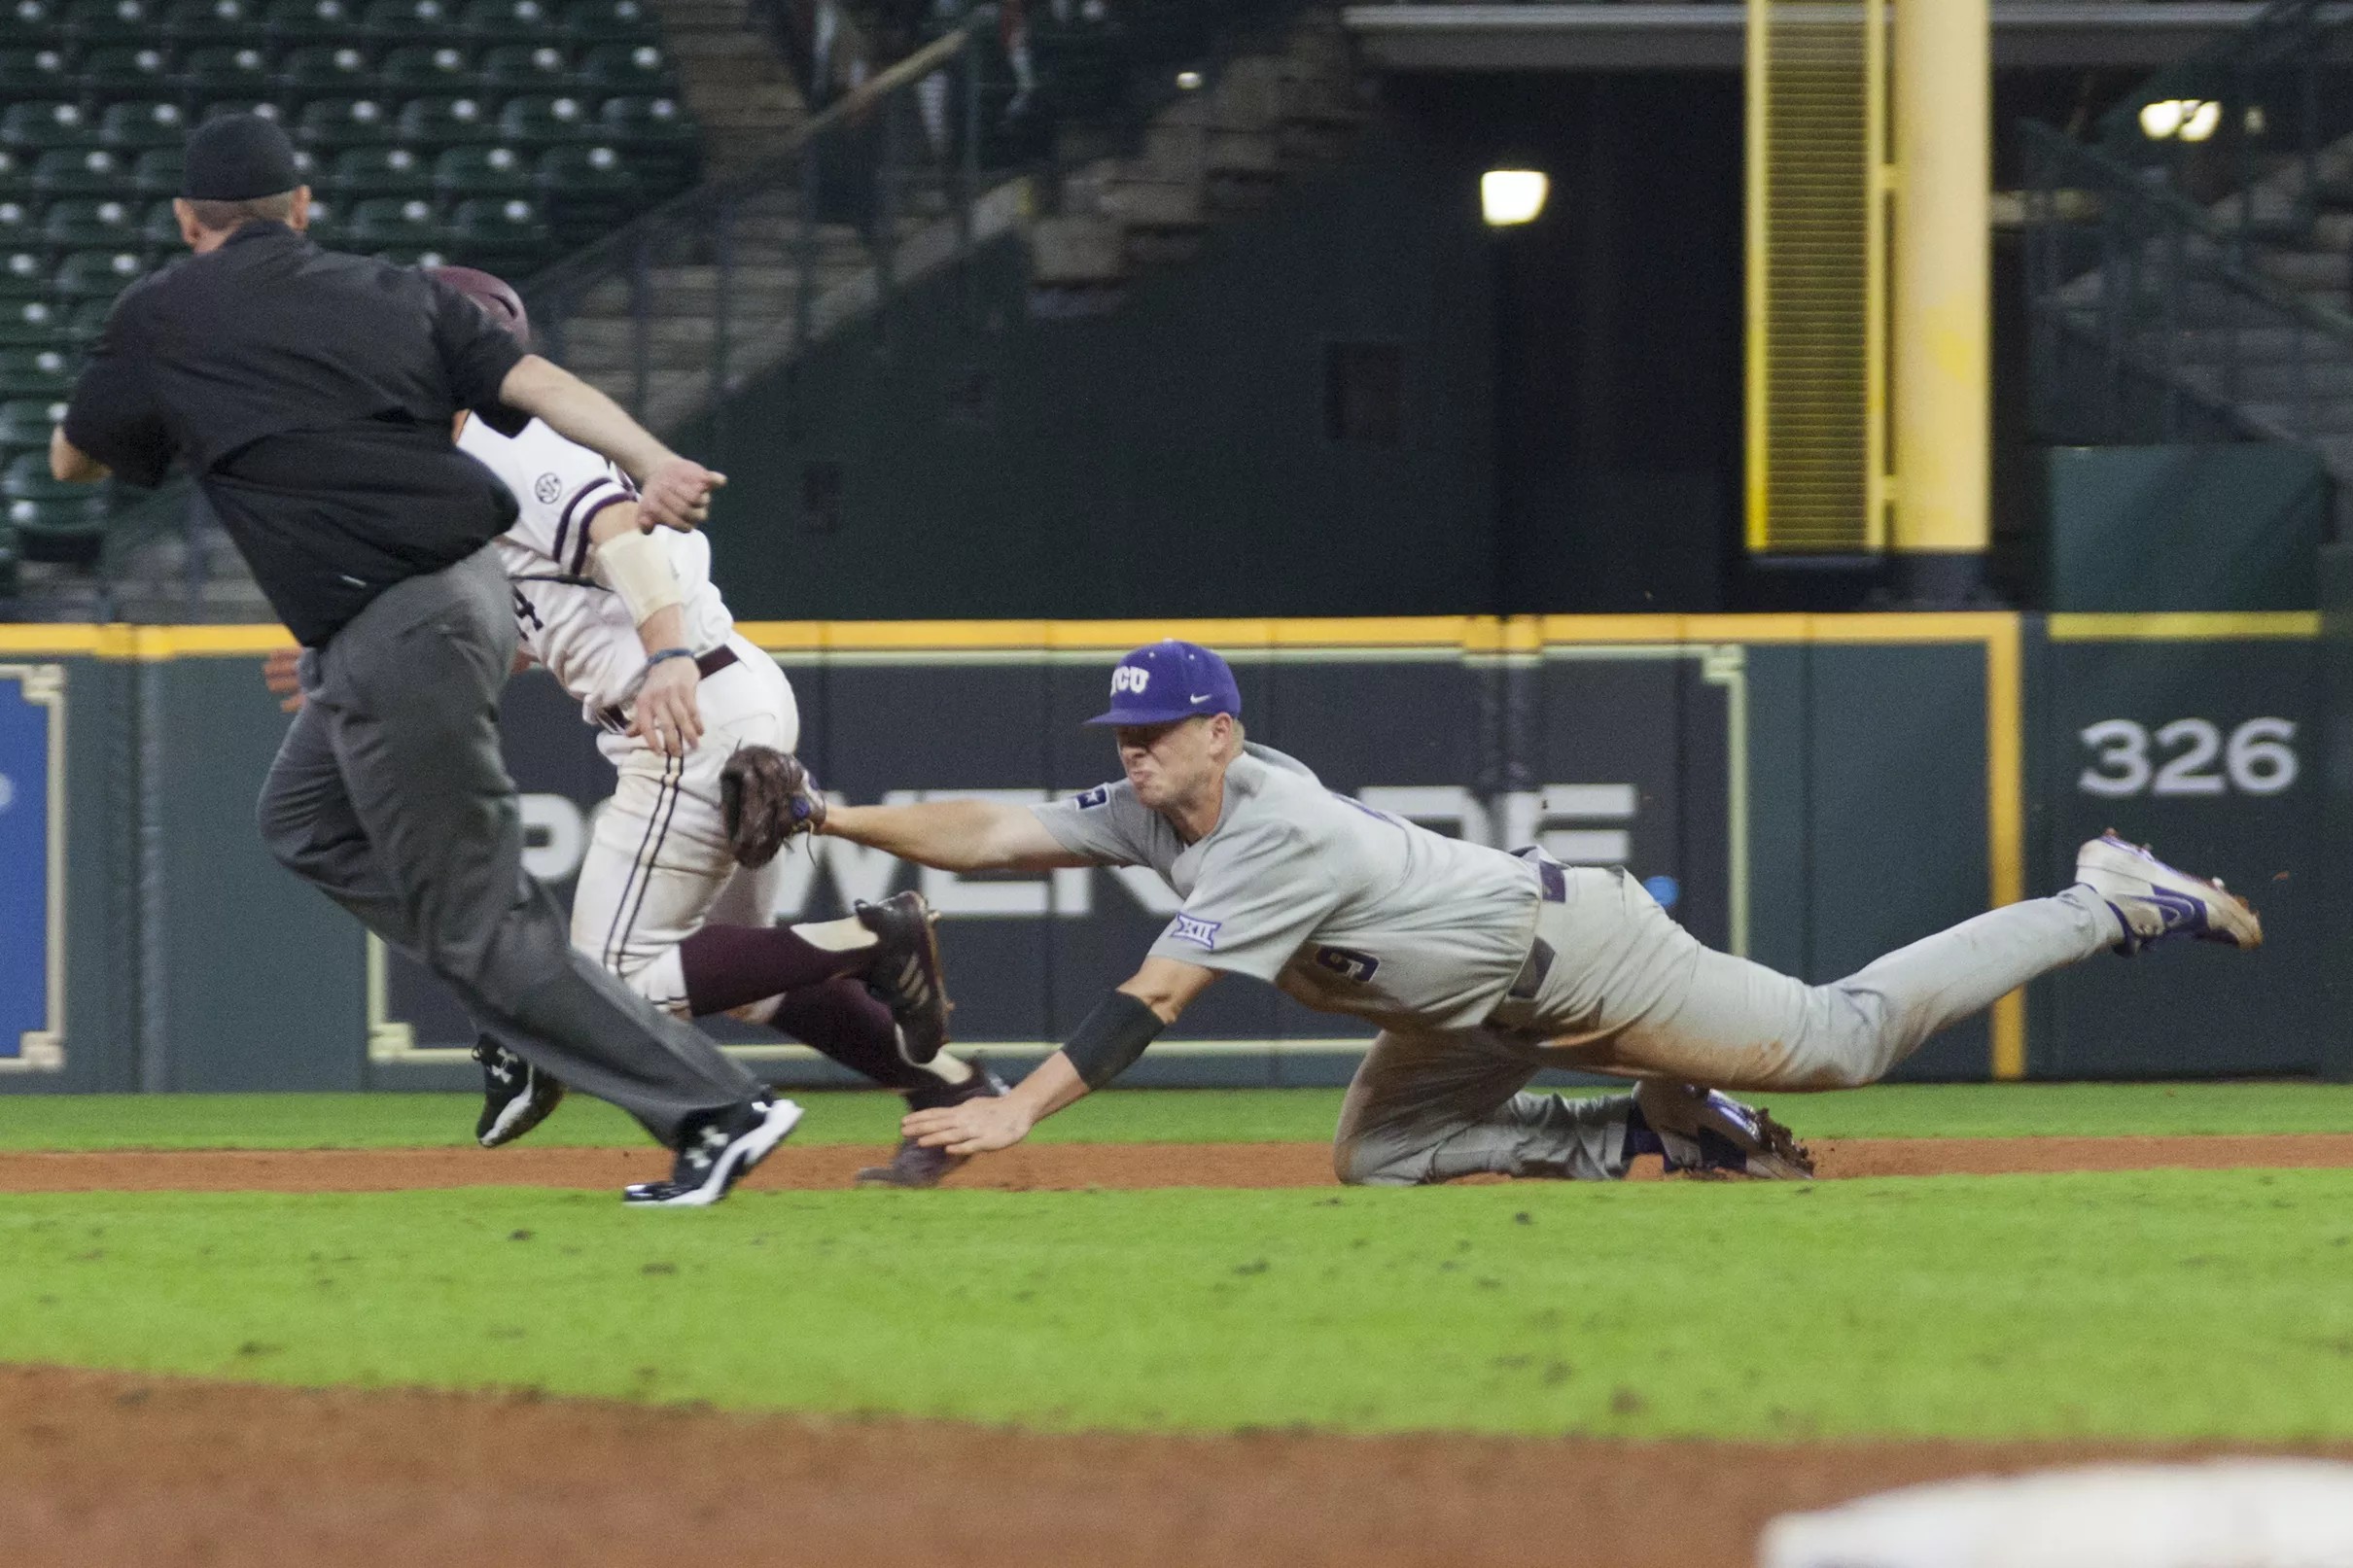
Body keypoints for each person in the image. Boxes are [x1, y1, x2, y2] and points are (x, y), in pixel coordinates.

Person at [51, 114, 792, 1205]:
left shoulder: (163, 313)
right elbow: (537, 381)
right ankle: (515, 979)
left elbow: (76, 457)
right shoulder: (390, 289)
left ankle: (715, 1110)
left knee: (483, 923)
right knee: (302, 818)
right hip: (416, 614)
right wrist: (649, 452)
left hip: (409, 612)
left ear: (183, 220)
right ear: (303, 207)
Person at [790, 639, 2262, 1185]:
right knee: (1380, 1160)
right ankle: (1651, 1131)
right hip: (1461, 1011)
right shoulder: (1158, 808)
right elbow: (988, 831)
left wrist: (1016, 1114)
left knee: (1843, 1036)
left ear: (1221, 732)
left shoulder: (1268, 827)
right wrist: (825, 815)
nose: (1132, 753)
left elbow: (1153, 1000)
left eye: (1158, 732)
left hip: (1582, 959)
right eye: (1123, 734)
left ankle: (2108, 900)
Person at [265, 266, 1005, 1188]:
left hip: (688, 707)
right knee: (754, 979)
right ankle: (951, 1089)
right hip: (725, 694)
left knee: (606, 984)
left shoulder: (518, 444)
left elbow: (614, 524)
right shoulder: (464, 458)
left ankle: (873, 943)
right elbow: (538, 623)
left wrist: (664, 658)